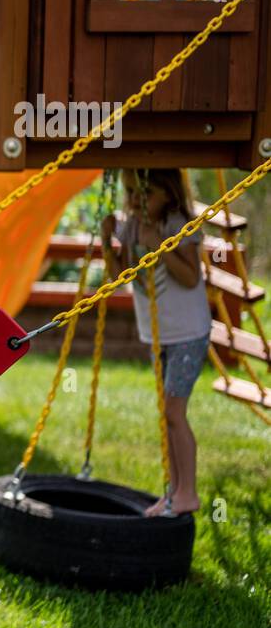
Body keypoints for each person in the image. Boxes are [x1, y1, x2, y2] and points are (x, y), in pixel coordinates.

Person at [101, 169, 210, 517]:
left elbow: (192, 277)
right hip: (158, 334)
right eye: (131, 191)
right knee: (168, 416)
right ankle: (174, 492)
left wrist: (160, 248)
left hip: (188, 333)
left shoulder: (178, 223)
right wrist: (107, 242)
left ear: (168, 192)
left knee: (174, 412)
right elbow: (121, 276)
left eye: (144, 193)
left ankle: (188, 492)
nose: (134, 200)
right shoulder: (132, 224)